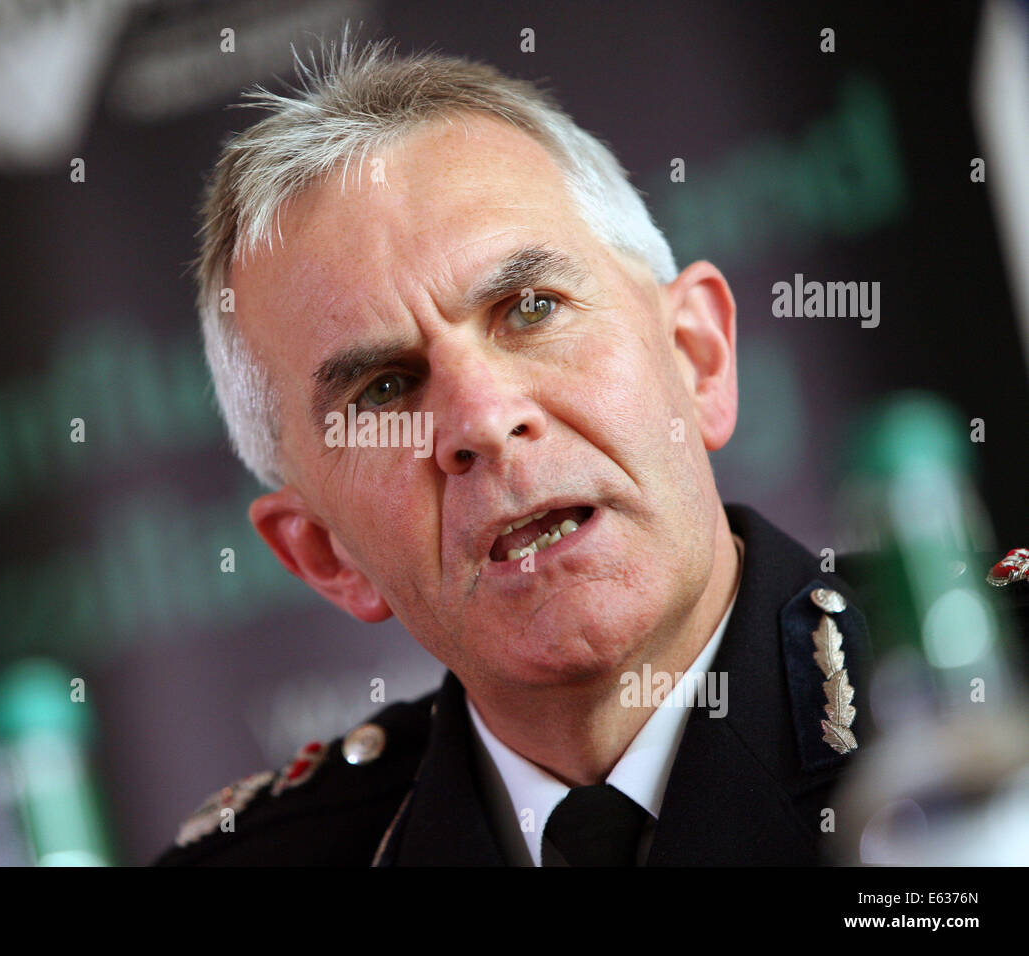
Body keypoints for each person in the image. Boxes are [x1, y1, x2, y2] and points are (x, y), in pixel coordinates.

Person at [156, 35, 874, 866]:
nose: (484, 422)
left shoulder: (990, 701)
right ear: (325, 554)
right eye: (384, 389)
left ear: (697, 356)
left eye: (531, 308)